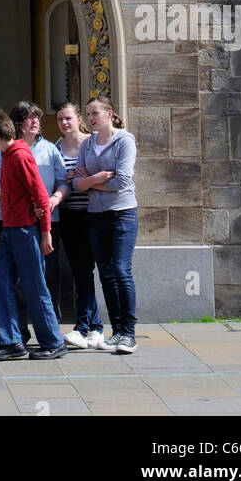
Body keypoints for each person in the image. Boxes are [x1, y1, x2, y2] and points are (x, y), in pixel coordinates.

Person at [0, 108, 66, 362]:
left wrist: (45, 232)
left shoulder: (19, 156)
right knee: (0, 282)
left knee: (34, 286)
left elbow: (40, 194)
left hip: (25, 231)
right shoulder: (6, 155)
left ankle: (53, 341)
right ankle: (11, 343)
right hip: (10, 229)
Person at [74, 96, 138, 353]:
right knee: (107, 274)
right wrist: (97, 179)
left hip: (122, 213)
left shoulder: (124, 140)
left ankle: (130, 334)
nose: (91, 118)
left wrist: (92, 181)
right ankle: (117, 330)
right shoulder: (87, 145)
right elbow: (77, 184)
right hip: (95, 215)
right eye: (88, 114)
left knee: (122, 270)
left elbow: (122, 180)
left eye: (95, 113)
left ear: (109, 113)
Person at [55, 101, 105, 350]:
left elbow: (105, 171)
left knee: (90, 270)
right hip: (69, 216)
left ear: (79, 120)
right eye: (60, 119)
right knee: (80, 271)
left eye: (68, 118)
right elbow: (57, 178)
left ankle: (87, 327)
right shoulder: (56, 148)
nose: (64, 123)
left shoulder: (93, 142)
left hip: (94, 212)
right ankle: (93, 327)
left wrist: (83, 179)